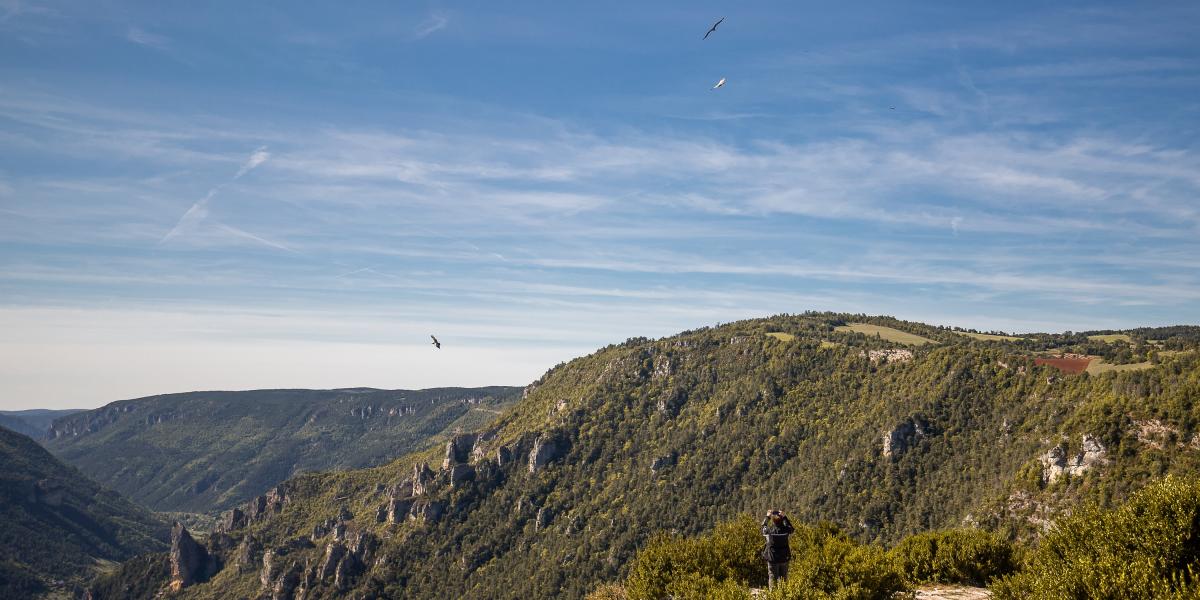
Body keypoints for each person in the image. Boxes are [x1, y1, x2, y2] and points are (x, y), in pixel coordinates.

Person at [761, 509, 794, 590]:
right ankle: (783, 595)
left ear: (773, 521)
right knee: (784, 579)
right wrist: (785, 517)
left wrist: (767, 517)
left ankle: (773, 596)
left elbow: (763, 527)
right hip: (784, 558)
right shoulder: (786, 530)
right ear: (782, 520)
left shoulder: (770, 531)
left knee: (772, 578)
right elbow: (791, 528)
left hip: (773, 559)